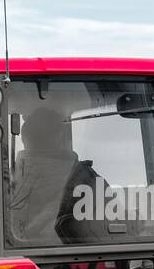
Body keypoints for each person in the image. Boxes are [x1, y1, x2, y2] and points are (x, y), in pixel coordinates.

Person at [8, 104, 107, 244]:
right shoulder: (86, 179)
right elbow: (115, 219)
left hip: (18, 256)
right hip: (78, 259)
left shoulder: (7, 179)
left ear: (24, 139)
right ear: (60, 137)